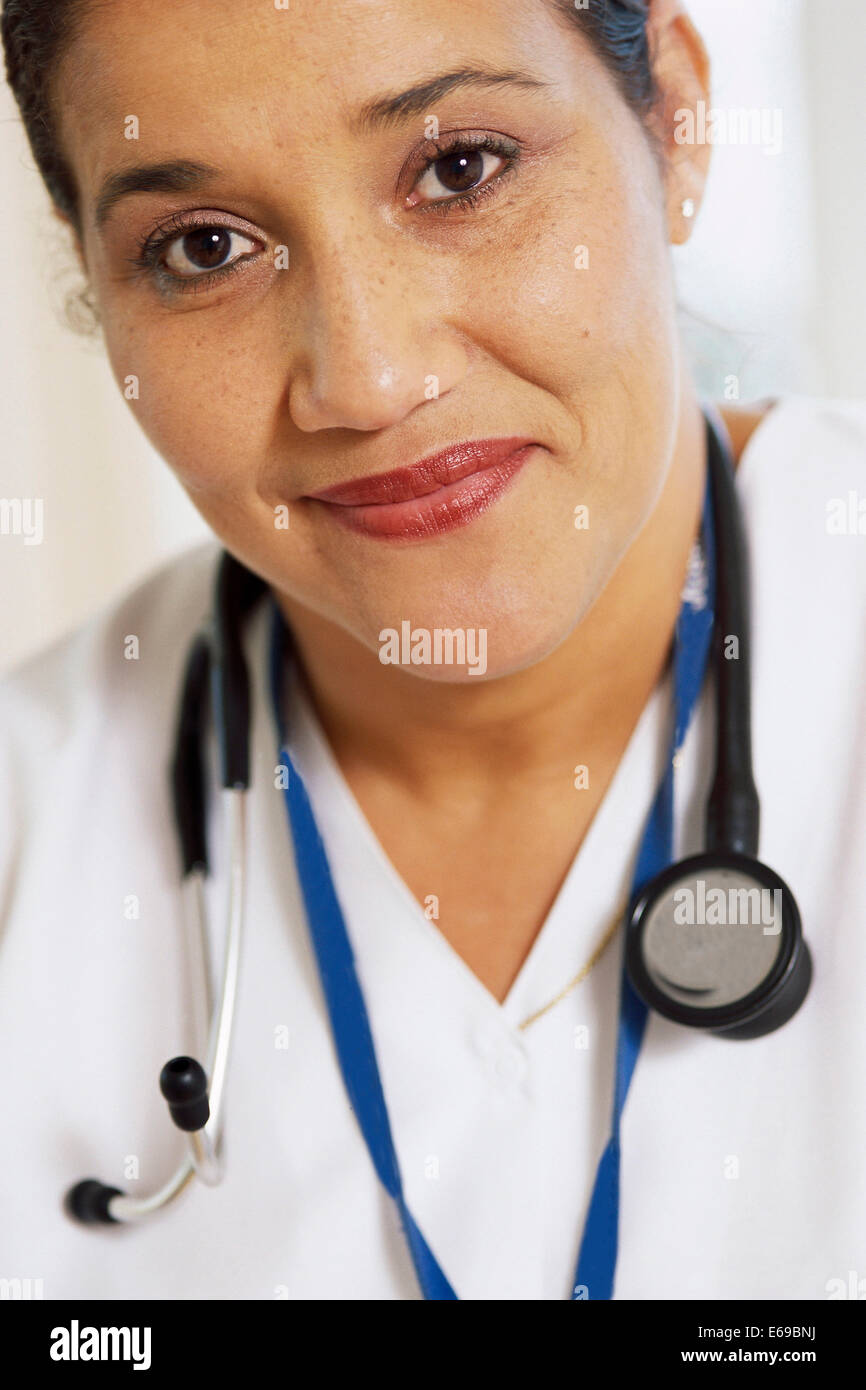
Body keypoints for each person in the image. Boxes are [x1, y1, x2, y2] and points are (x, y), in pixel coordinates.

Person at [0, 0, 863, 1301]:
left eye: (460, 168)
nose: (365, 375)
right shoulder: (30, 822)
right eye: (204, 246)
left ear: (675, 121)